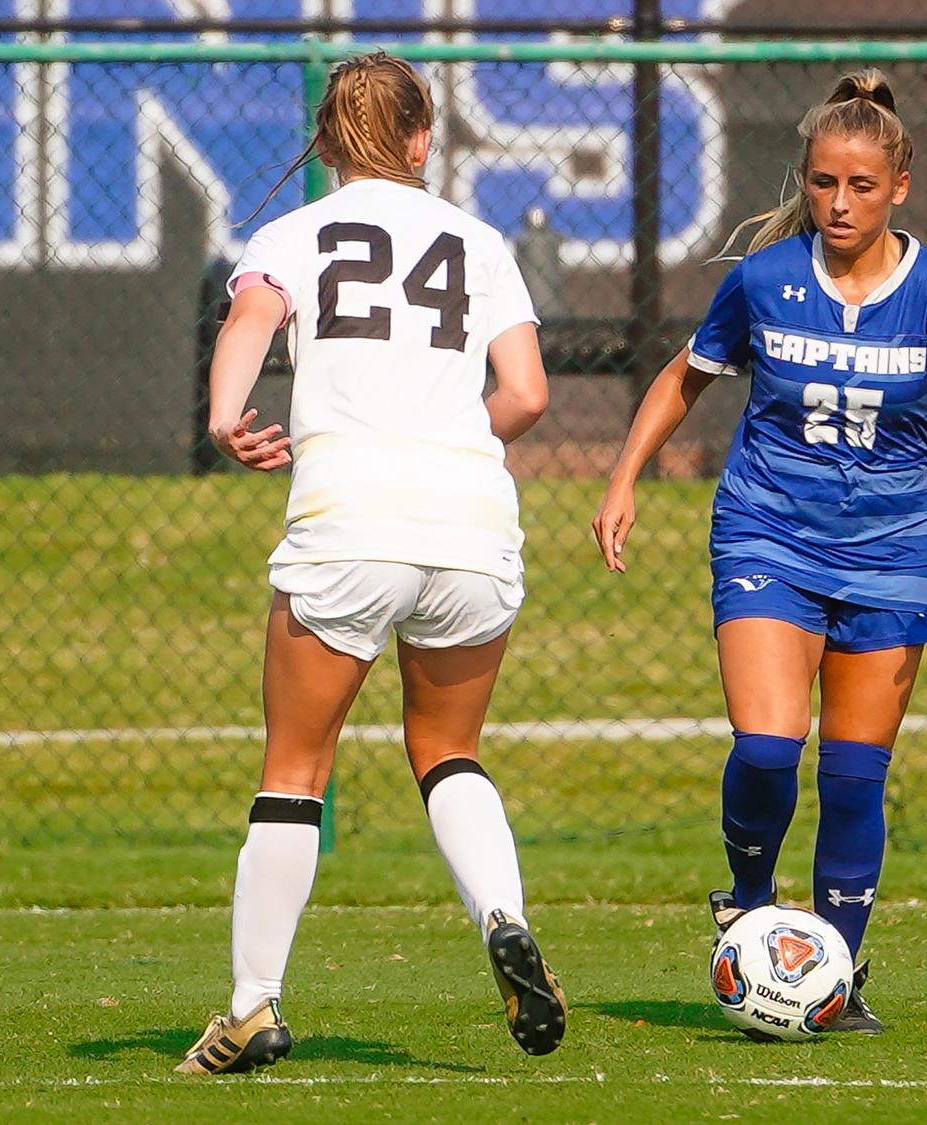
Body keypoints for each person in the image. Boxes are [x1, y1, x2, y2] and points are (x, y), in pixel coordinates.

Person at [592, 69, 927, 1034]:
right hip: (768, 531)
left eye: (861, 186)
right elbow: (683, 378)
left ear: (899, 186)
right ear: (807, 177)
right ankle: (747, 898)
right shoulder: (765, 279)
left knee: (855, 775)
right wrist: (624, 476)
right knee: (768, 746)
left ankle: (834, 974)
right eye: (824, 182)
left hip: (895, 549)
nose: (838, 203)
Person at [177, 50, 564, 1074]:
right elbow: (524, 395)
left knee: (294, 773)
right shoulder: (477, 242)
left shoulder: (290, 235)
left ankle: (253, 1008)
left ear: (327, 141)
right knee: (447, 751)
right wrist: (444, 435)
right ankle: (502, 918)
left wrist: (225, 419)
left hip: (350, 516)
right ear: (419, 138)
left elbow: (249, 319)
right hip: (472, 516)